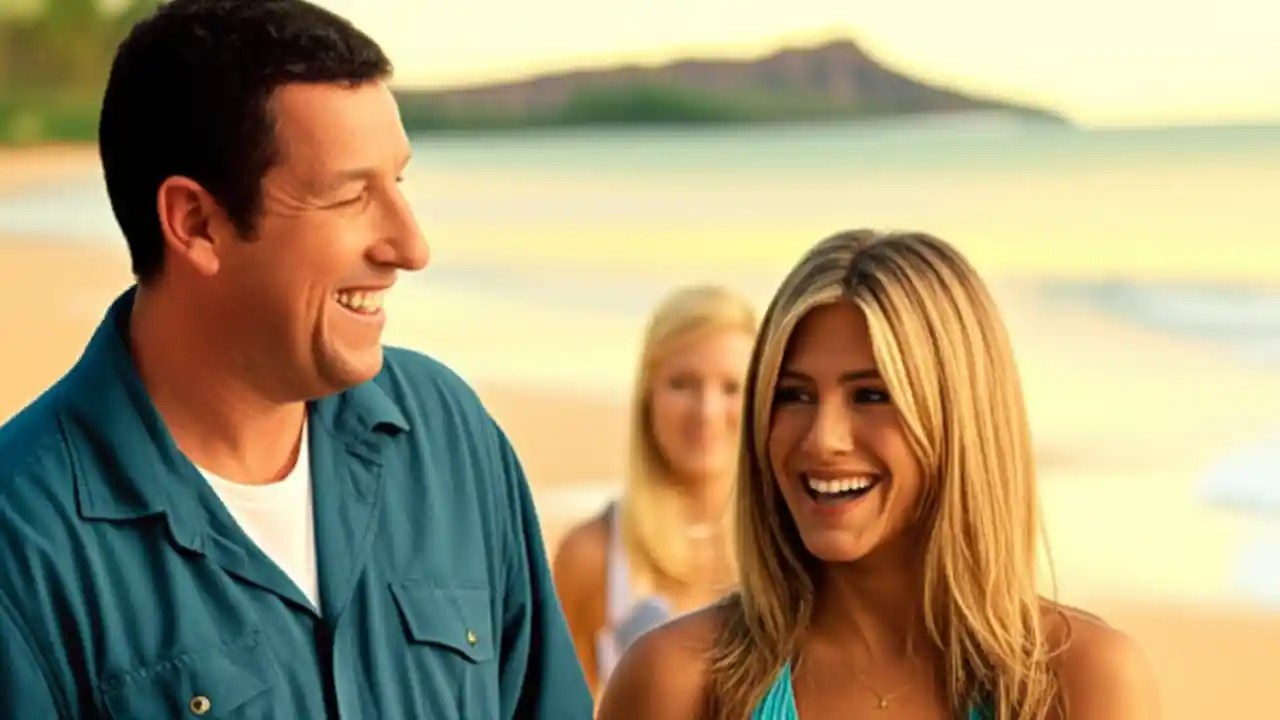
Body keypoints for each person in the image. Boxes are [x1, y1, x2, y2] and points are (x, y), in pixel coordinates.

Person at [0, 1, 591, 718]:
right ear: (196, 223)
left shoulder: (450, 438)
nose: (411, 247)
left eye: (397, 184)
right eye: (349, 197)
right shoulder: (23, 541)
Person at [597, 230, 1160, 719]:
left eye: (871, 395)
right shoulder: (675, 681)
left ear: (959, 419)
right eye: (793, 395)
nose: (823, 439)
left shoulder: (1081, 681)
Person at [552, 284, 756, 699]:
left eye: (731, 388)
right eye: (683, 384)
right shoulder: (593, 555)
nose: (707, 411)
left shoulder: (797, 550)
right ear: (648, 395)